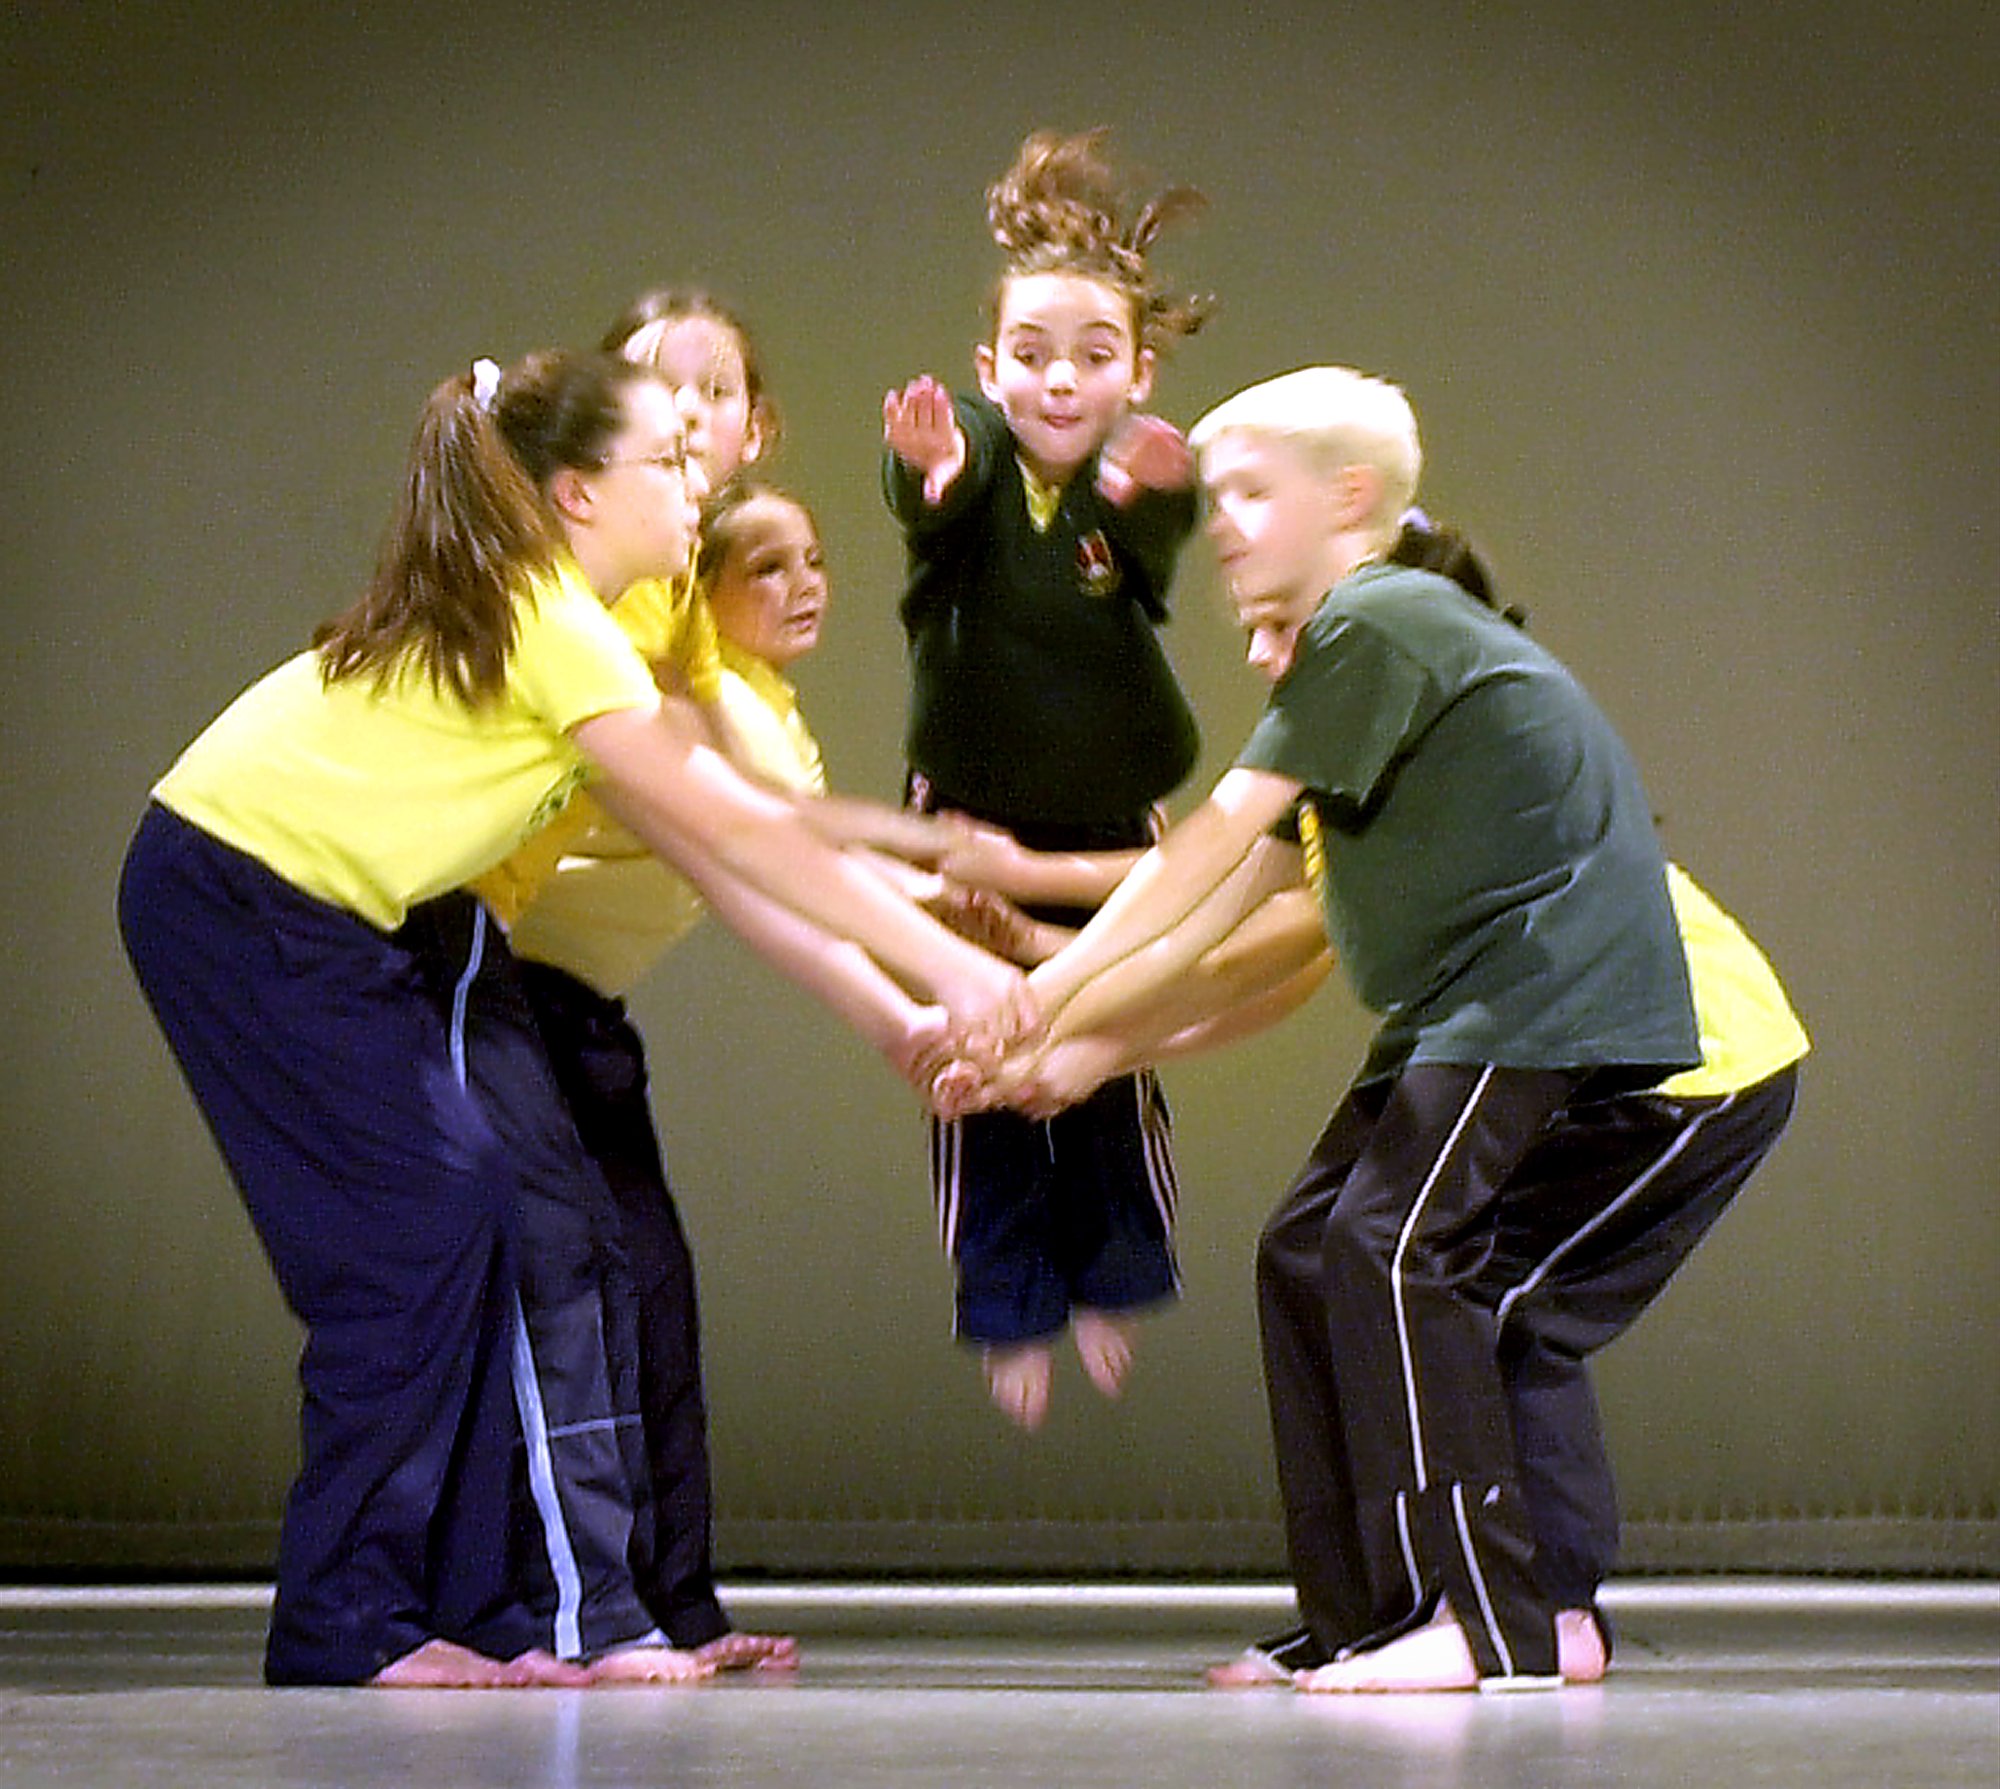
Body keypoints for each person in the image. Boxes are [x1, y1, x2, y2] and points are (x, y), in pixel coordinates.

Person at [118, 347, 1026, 1688]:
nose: (693, 478)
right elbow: (742, 828)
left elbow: (727, 845)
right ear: (572, 497)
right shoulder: (551, 615)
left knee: (472, 1213)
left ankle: (475, 1610)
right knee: (418, 1231)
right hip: (241, 886)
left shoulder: (579, 619)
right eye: (662, 459)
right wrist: (949, 975)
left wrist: (897, 1011)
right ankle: (344, 1623)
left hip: (330, 911)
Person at [1023, 366, 1705, 1692]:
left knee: (1395, 1252)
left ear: (1348, 496)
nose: (1218, 521)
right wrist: (1061, 1018)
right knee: (1303, 1250)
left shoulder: (1383, 615)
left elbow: (1208, 842)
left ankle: (1486, 1623)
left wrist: (1039, 1001)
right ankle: (1365, 1615)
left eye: (1247, 492)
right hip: (1465, 1003)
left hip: (1539, 984)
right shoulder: (1366, 644)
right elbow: (1230, 891)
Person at [479, 471, 950, 1675]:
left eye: (814, 559)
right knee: (590, 1293)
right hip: (507, 1000)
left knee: (652, 1290)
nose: (801, 586)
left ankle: (670, 1603)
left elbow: (806, 853)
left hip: (577, 1017)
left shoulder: (756, 708)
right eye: (763, 566)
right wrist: (966, 918)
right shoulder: (679, 696)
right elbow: (789, 855)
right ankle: (586, 1612)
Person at [880, 126, 1212, 1429]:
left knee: (1110, 1050)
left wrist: (1158, 491)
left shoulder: (1131, 483)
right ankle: (1007, 1300)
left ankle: (1113, 1273)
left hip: (1109, 806)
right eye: (1030, 356)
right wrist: (935, 466)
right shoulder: (968, 453)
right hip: (965, 808)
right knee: (982, 1058)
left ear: (1133, 370)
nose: (1058, 383)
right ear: (988, 367)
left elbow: (1153, 535)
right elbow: (930, 496)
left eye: (1090, 358)